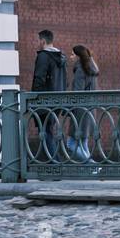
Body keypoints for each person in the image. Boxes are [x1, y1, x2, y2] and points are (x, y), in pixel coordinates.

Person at [32, 29, 67, 161]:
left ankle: (55, 165)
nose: (37, 43)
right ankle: (52, 164)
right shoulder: (61, 57)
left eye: (38, 40)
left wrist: (34, 98)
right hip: (58, 99)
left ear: (43, 41)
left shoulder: (43, 56)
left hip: (44, 100)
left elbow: (39, 79)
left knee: (45, 133)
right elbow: (65, 81)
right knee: (49, 132)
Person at [70, 45, 100, 162]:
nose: (70, 57)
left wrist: (69, 106)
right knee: (84, 143)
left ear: (78, 57)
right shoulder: (91, 68)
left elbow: (77, 92)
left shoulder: (80, 70)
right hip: (91, 108)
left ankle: (92, 165)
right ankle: (93, 170)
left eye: (72, 54)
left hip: (81, 110)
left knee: (70, 143)